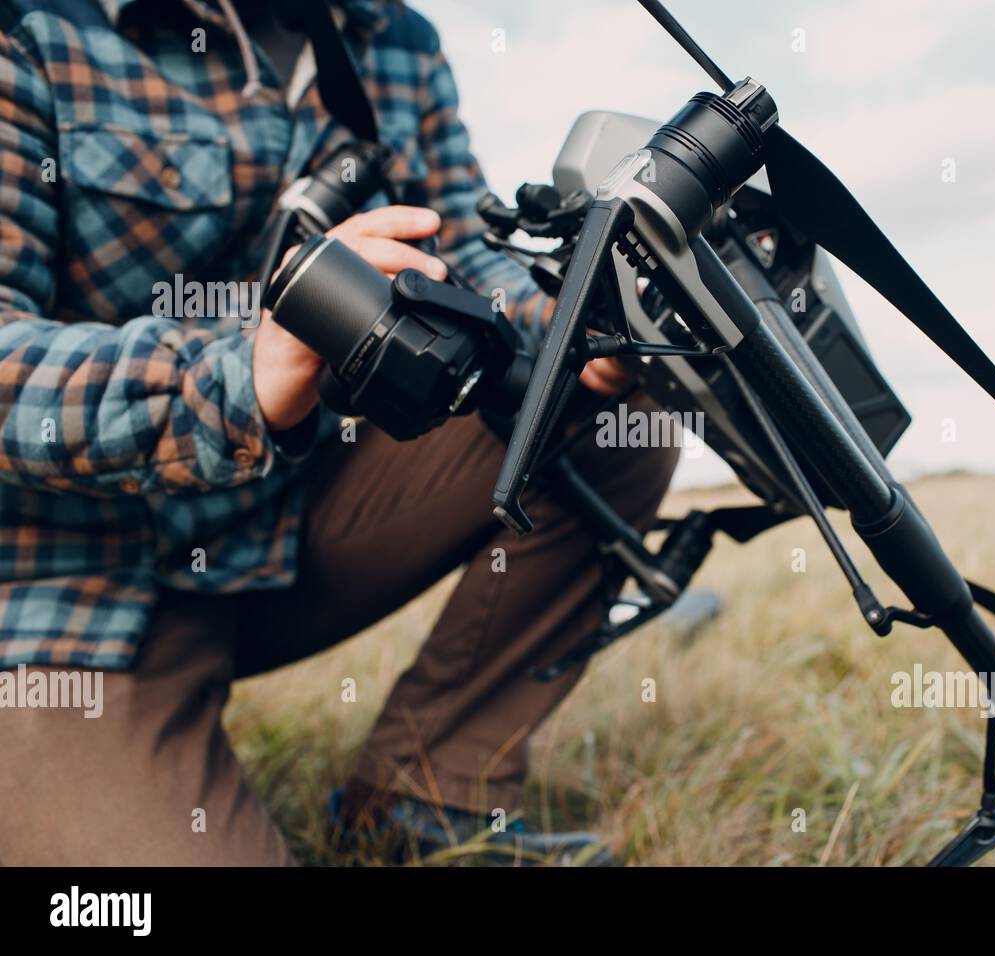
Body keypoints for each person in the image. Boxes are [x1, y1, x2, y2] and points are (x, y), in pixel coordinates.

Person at [0, 0, 678, 865]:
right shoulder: (32, 28)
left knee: (603, 412)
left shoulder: (398, 42)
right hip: (61, 592)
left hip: (282, 534)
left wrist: (588, 318)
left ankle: (423, 799)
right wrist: (239, 373)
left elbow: (467, 264)